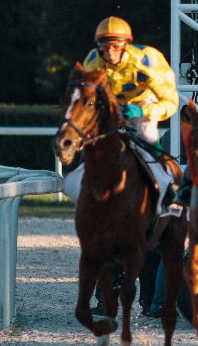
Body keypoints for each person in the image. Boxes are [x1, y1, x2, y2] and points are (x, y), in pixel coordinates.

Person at [67, 16, 180, 214]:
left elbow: (171, 102)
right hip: (110, 104)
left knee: (146, 134)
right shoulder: (93, 61)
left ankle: (169, 188)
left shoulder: (148, 60)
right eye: (104, 47)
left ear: (126, 45)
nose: (110, 53)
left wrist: (142, 111)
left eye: (115, 47)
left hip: (145, 102)